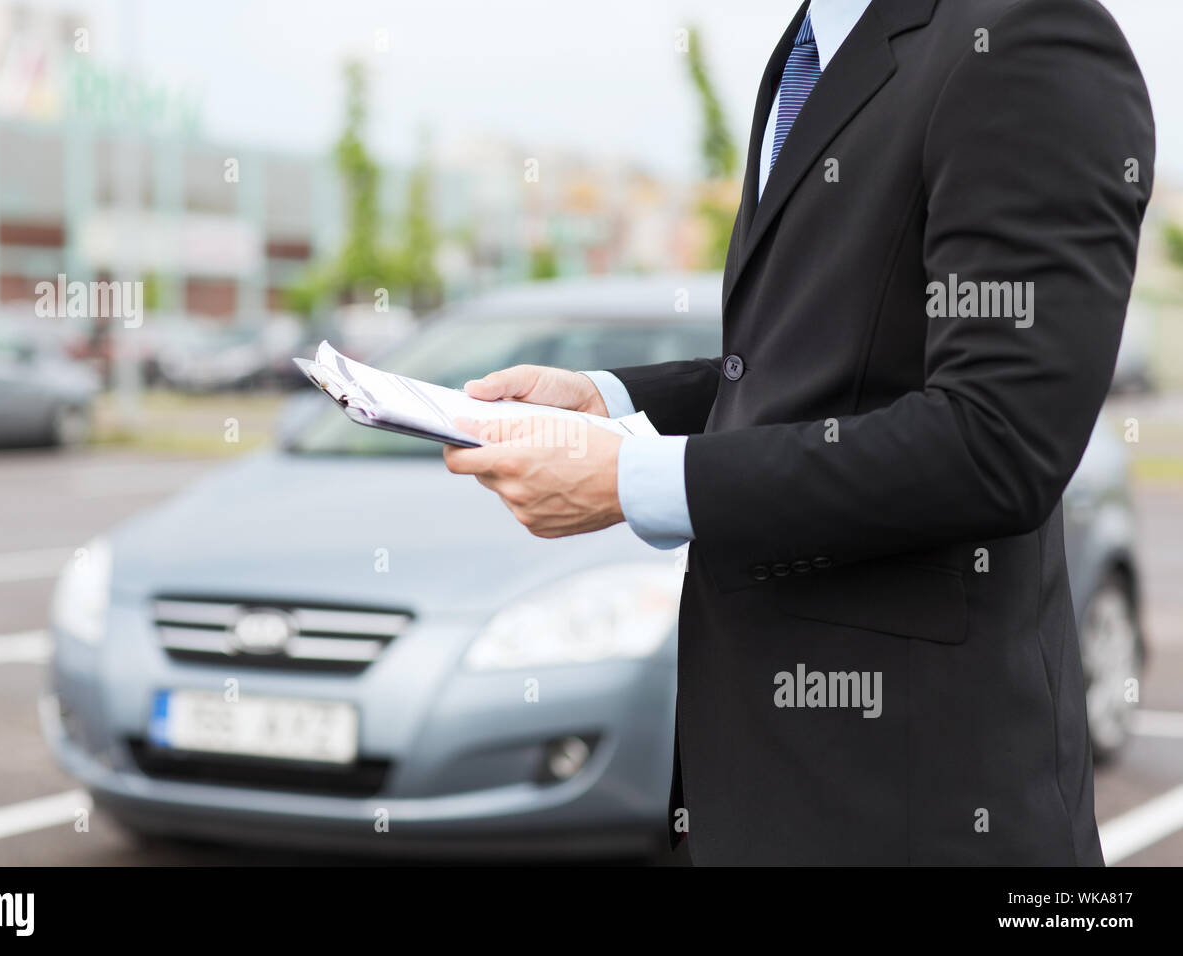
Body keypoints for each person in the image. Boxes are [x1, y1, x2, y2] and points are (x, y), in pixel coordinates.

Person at [443, 0, 1154, 865]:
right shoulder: (809, 49)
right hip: (760, 790)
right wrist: (607, 398)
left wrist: (635, 481)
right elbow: (813, 366)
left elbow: (997, 440)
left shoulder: (1029, 35)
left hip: (913, 807)